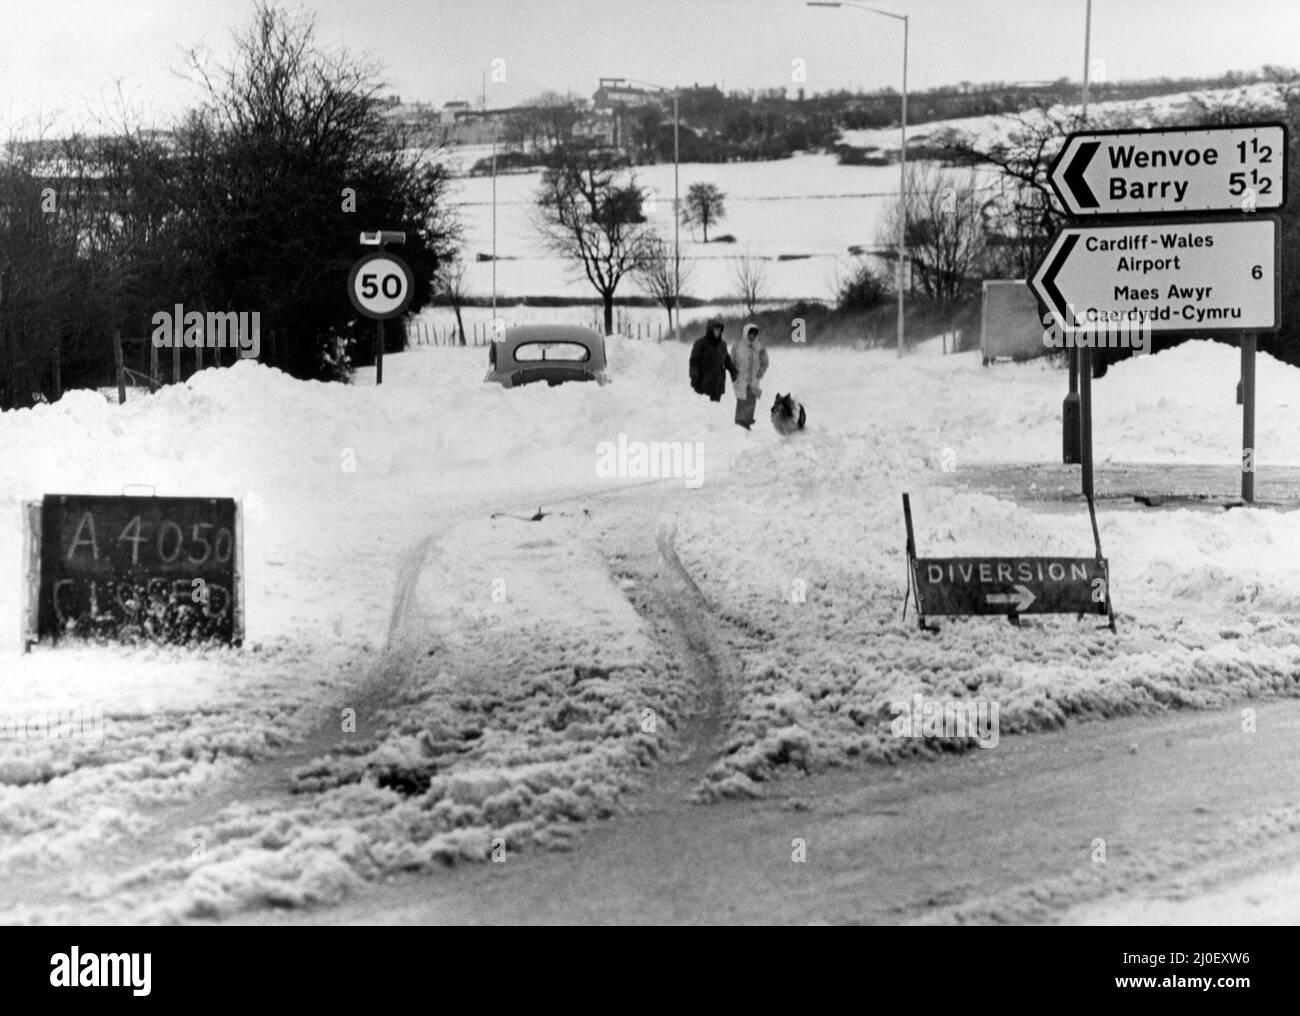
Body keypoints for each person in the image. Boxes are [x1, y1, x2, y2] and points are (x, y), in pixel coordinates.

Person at [730, 323, 769, 430]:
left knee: (752, 400)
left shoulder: (760, 347)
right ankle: (740, 421)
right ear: (745, 333)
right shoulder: (737, 346)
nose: (752, 336)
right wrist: (734, 374)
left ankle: (748, 419)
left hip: (754, 379)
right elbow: (731, 361)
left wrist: (760, 372)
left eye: (754, 334)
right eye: (750, 334)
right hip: (741, 379)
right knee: (742, 399)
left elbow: (765, 362)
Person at [689, 317, 733, 402]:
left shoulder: (722, 345)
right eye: (716, 329)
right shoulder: (700, 344)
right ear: (710, 329)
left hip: (718, 384)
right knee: (704, 409)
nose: (718, 331)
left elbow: (727, 359)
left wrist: (733, 371)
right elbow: (694, 362)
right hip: (704, 383)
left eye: (720, 329)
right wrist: (694, 377)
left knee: (715, 410)